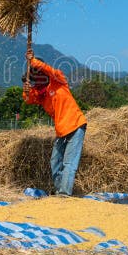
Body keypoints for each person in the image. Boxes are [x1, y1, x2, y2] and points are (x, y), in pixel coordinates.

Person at [22, 49, 87, 195]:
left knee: (69, 162)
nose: (36, 81)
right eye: (33, 79)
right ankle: (60, 191)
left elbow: (50, 70)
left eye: (37, 75)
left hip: (76, 125)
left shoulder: (58, 80)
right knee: (55, 163)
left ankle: (64, 193)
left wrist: (33, 61)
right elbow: (29, 100)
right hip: (61, 130)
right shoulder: (42, 95)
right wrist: (26, 91)